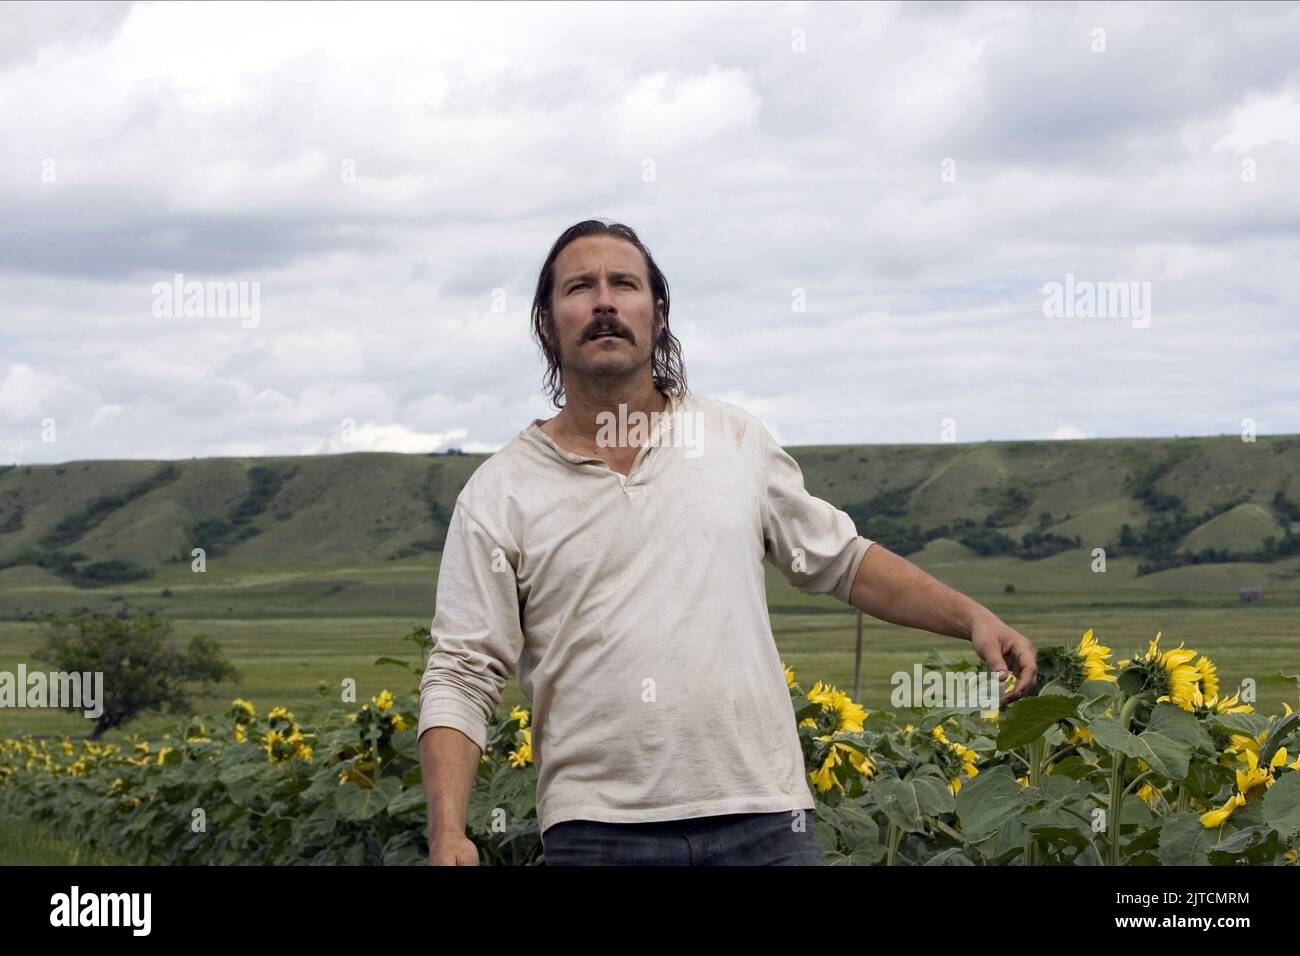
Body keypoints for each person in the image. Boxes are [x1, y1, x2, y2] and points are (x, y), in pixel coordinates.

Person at [418, 219, 1038, 866]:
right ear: (547, 323)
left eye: (623, 284)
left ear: (656, 314)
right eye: (579, 287)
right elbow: (462, 671)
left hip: (766, 822)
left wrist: (972, 618)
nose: (603, 301)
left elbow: (841, 560)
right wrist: (448, 833)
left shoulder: (732, 440)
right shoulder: (500, 493)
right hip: (597, 835)